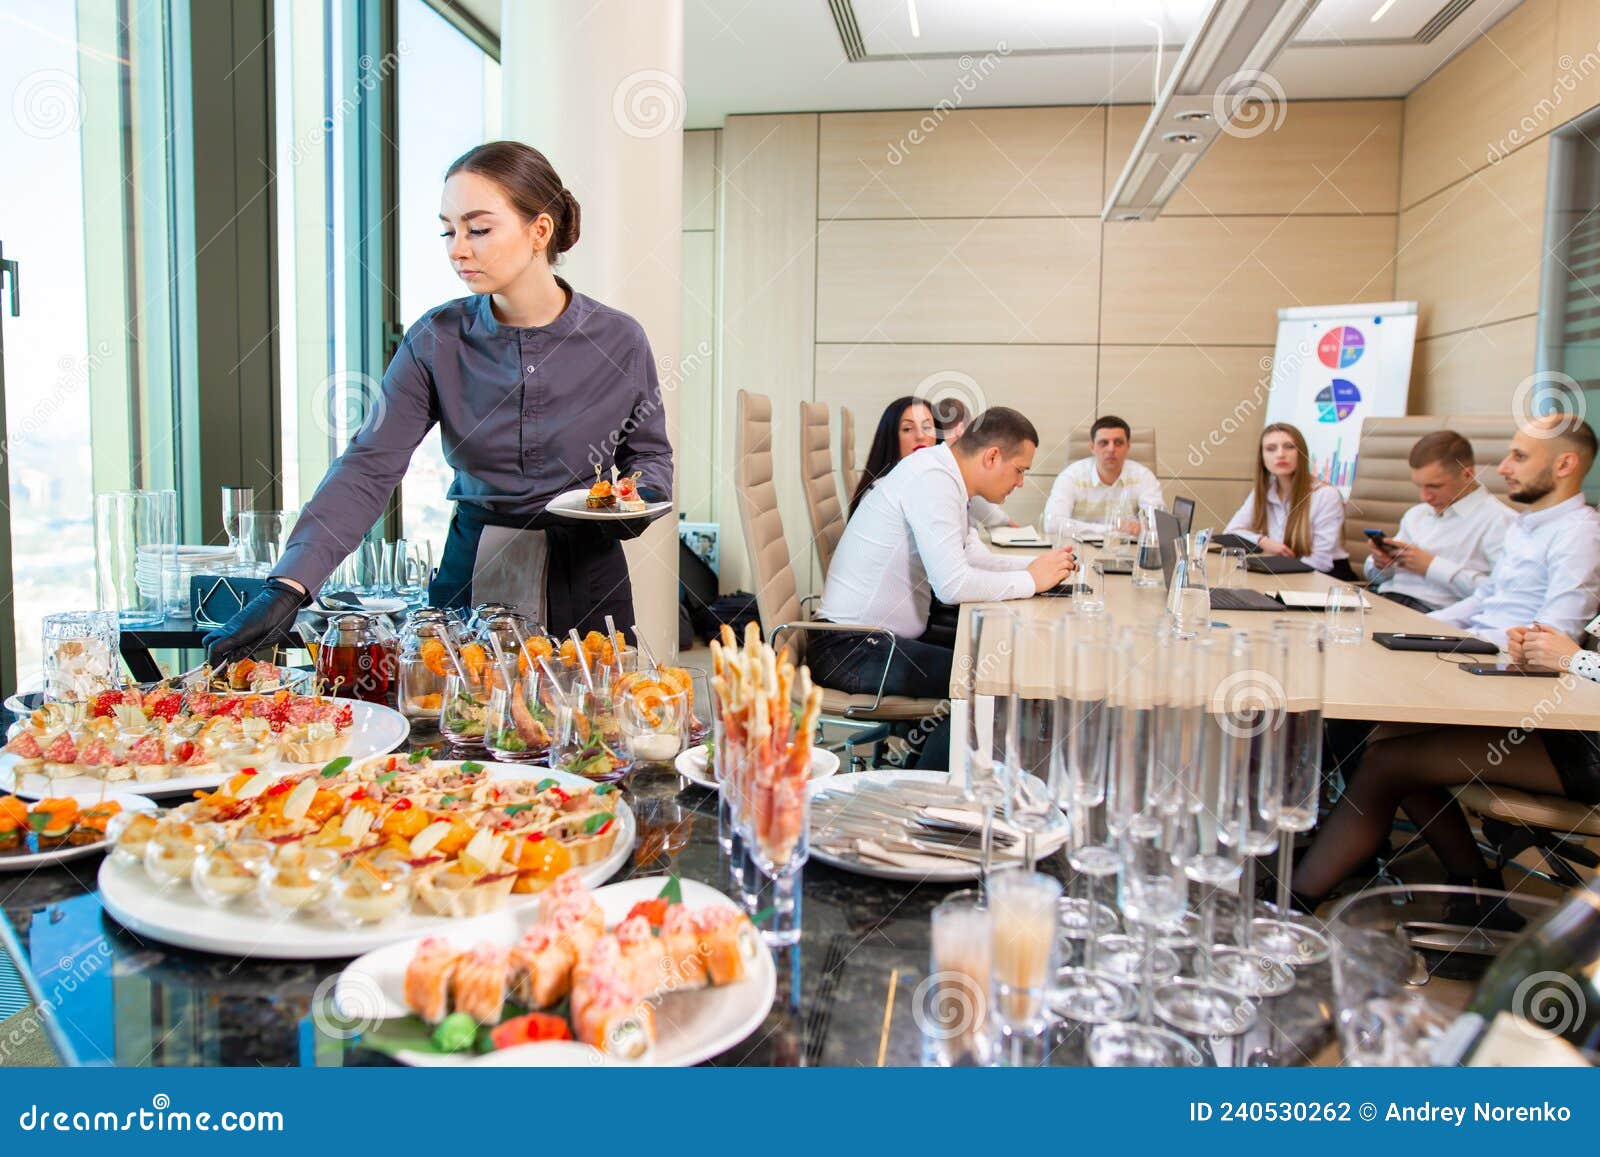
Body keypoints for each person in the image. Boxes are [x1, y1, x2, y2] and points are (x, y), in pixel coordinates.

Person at [202, 141, 673, 665]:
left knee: (592, 733)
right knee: (456, 731)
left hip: (586, 578)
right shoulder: (435, 339)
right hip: (470, 577)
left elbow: (649, 455)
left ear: (540, 231)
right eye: (448, 230)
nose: (457, 249)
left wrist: (639, 500)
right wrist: (288, 586)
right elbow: (368, 466)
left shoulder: (620, 340)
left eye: (478, 229)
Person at [808, 408, 1076, 768]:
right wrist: (1031, 580)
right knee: (987, 682)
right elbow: (952, 585)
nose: (1021, 482)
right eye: (1020, 470)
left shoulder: (943, 474)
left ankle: (921, 766)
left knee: (997, 656)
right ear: (992, 456)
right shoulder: (933, 479)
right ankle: (927, 799)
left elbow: (968, 561)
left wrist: (1034, 570)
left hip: (873, 639)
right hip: (852, 648)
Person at [1293, 616, 1600, 913]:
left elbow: (1584, 661)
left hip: (1589, 747)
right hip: (1576, 721)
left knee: (1388, 762)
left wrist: (1573, 659)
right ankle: (1473, 886)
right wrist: (1544, 649)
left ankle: (1293, 907)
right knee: (1391, 731)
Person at [1429, 416, 1600, 649]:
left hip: (1509, 663)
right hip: (1478, 645)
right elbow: (1485, 598)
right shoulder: (1524, 522)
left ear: (1564, 465)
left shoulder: (1580, 533)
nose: (1503, 468)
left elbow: (1555, 635)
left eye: (1519, 457)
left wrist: (1463, 642)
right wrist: (1422, 626)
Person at [1364, 429, 1513, 612]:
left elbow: (1505, 595)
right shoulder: (1416, 514)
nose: (1425, 497)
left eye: (1434, 486)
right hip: (1382, 600)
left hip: (1434, 614)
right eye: (1419, 486)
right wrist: (1381, 564)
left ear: (1467, 475)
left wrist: (1432, 566)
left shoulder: (1499, 521)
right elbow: (1378, 579)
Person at [1223, 422, 1353, 578]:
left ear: (1301, 453)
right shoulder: (1263, 490)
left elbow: (1320, 561)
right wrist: (1262, 541)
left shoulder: (1325, 494)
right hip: (1286, 572)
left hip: (1326, 577)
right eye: (1271, 449)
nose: (1280, 454)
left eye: (1289, 447)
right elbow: (1230, 533)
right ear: (1262, 458)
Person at [1042, 415, 1162, 538]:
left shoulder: (1144, 476)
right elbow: (1052, 523)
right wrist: (1110, 530)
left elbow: (1159, 524)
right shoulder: (1071, 476)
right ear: (1092, 448)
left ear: (1128, 447)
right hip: (1080, 551)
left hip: (1128, 552)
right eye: (1103, 443)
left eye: (1118, 443)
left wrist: (1142, 527)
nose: (1111, 449)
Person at [931, 396, 1014, 529]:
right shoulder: (950, 469)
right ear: (961, 429)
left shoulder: (929, 460)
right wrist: (1013, 525)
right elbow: (986, 511)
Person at [847, 396, 936, 517]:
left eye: (927, 427)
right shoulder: (883, 491)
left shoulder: (928, 479)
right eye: (907, 429)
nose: (920, 436)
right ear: (891, 438)